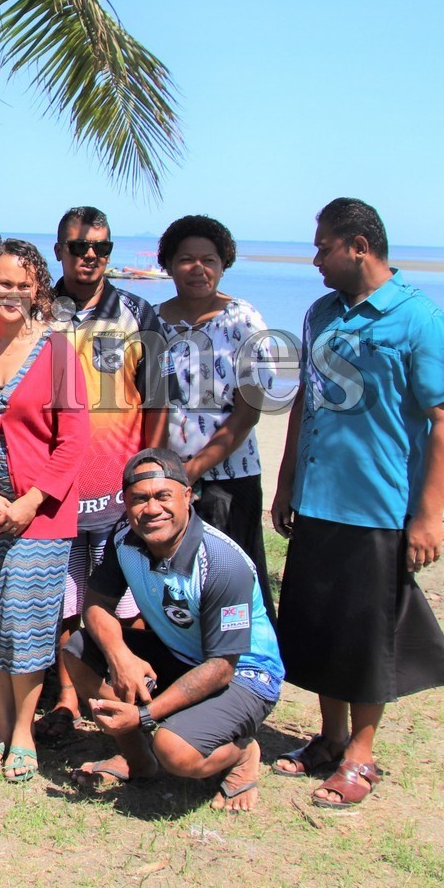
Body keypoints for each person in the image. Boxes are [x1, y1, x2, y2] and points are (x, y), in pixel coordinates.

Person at [270, 198, 444, 808]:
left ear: (359, 246)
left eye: (324, 247)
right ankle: (329, 737)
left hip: (379, 507)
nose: (316, 259)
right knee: (320, 628)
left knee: (366, 634)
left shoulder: (418, 318)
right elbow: (306, 399)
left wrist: (428, 516)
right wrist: (286, 483)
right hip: (317, 502)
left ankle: (361, 753)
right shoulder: (321, 313)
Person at [65, 449, 283, 813]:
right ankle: (138, 760)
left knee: (174, 750)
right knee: (79, 649)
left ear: (188, 495)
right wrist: (121, 657)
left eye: (163, 496)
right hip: (182, 656)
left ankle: (242, 754)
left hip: (245, 675)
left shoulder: (222, 563)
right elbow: (97, 604)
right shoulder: (125, 539)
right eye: (139, 499)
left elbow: (222, 667)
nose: (152, 509)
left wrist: (144, 715)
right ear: (126, 503)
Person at [0, 239, 88, 782]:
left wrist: (31, 501)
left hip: (42, 517)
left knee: (26, 626)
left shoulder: (57, 353)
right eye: (3, 282)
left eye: (23, 285)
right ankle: (1, 730)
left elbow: (73, 441)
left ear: (37, 290)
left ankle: (23, 734)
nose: (12, 293)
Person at [44, 205, 170, 742]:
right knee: (63, 601)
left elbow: (159, 399)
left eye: (101, 247)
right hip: (54, 486)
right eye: (79, 247)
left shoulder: (139, 313)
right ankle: (66, 699)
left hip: (118, 491)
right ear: (59, 251)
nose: (90, 256)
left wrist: (151, 474)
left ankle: (125, 694)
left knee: (126, 600)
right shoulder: (37, 309)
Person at [155, 215, 278, 619]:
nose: (198, 268)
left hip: (230, 479)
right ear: (168, 264)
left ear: (224, 265)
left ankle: (245, 658)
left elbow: (247, 413)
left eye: (209, 260)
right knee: (173, 588)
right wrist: (164, 473)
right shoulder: (151, 321)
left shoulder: (243, 321)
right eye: (186, 259)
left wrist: (193, 470)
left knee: (235, 586)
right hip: (164, 478)